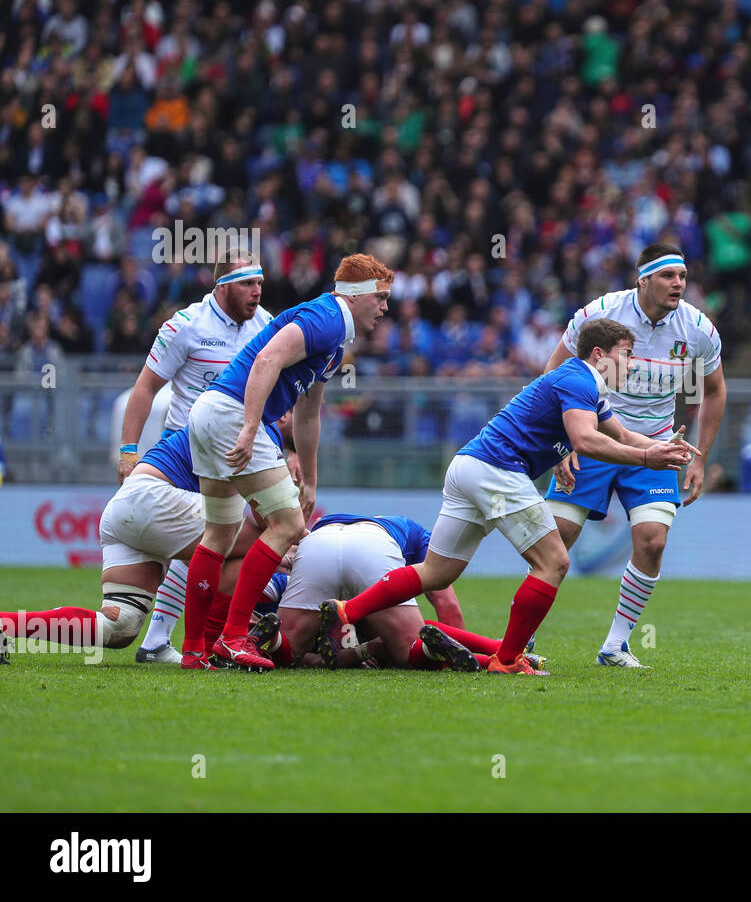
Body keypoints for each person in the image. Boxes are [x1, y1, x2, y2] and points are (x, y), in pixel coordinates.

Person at [315, 317, 699, 675]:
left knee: (436, 572)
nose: (631, 365)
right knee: (553, 562)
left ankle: (347, 611)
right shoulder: (579, 379)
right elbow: (585, 440)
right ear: (598, 354)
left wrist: (662, 448)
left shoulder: (588, 388)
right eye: (626, 354)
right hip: (497, 469)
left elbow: (624, 436)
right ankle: (509, 658)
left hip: (469, 465)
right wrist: (647, 456)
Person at [182, 254, 392, 671]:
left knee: (219, 535)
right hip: (231, 415)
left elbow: (309, 414)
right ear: (356, 296)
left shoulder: (333, 339)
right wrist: (248, 427)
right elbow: (267, 360)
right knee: (289, 527)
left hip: (208, 412)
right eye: (380, 297)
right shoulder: (327, 318)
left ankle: (195, 650)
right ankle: (233, 636)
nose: (385, 308)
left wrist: (310, 480)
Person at [542, 244, 727, 666]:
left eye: (682, 275)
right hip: (592, 441)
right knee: (554, 544)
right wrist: (558, 444)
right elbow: (552, 374)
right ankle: (525, 639)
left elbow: (714, 390)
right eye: (667, 276)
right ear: (642, 279)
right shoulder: (600, 313)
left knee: (652, 540)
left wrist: (699, 458)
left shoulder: (698, 329)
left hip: (655, 446)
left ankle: (615, 645)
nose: (678, 283)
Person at [117, 250, 271, 663]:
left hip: (236, 453)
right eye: (247, 283)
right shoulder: (185, 325)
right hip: (185, 450)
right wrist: (129, 452)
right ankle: (172, 640)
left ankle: (171, 640)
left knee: (208, 544)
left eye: (259, 283)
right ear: (221, 286)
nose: (257, 291)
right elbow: (146, 387)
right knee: (204, 543)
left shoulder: (266, 325)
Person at [0, 429, 255, 658]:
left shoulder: (220, 412)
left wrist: (127, 452)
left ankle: (4, 624)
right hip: (157, 499)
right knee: (265, 537)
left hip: (130, 503)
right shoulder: (253, 427)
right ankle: (214, 649)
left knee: (121, 625)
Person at [262, 515, 514, 672]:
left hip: (318, 543)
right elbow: (449, 608)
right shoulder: (418, 538)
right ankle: (438, 652)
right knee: (409, 647)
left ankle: (269, 640)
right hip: (374, 547)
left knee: (290, 653)